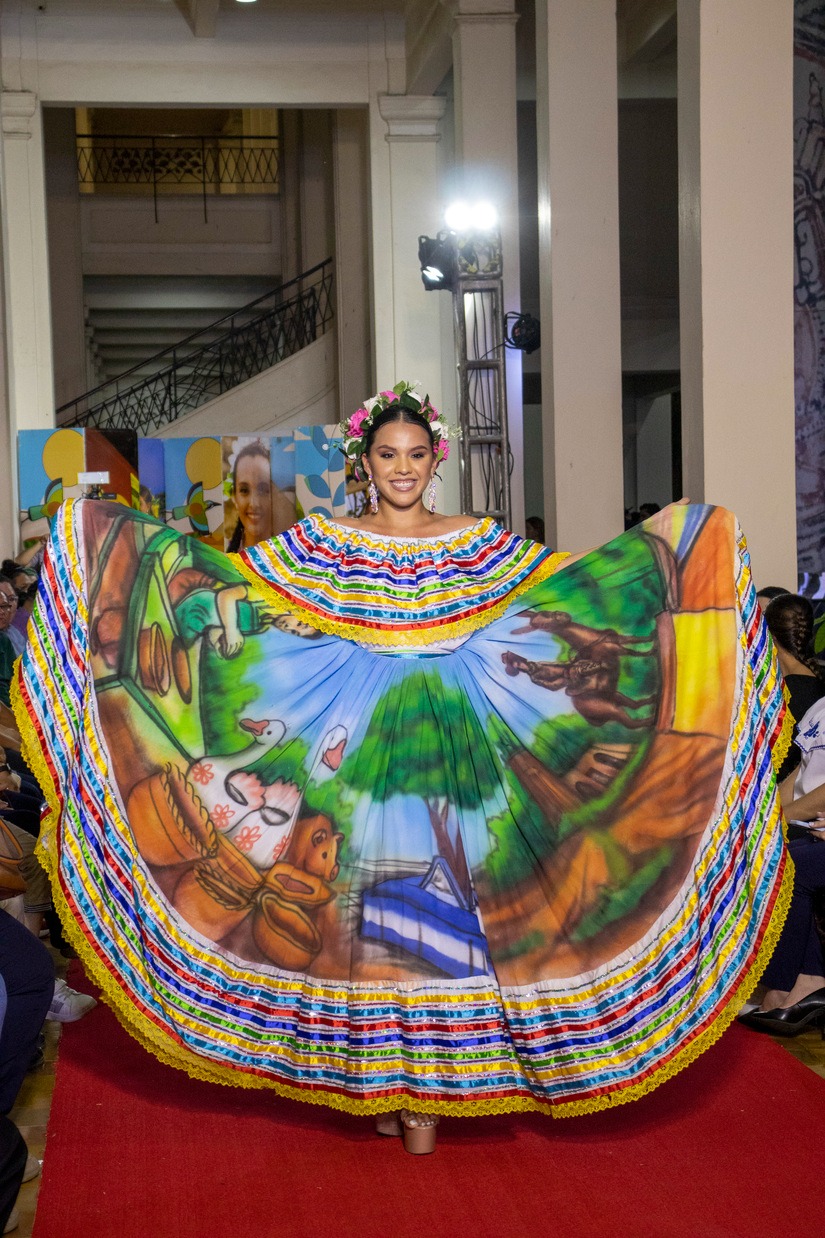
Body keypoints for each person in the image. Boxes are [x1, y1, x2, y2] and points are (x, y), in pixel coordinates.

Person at [13, 381, 788, 1156]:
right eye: (388, 455)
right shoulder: (323, 543)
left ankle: (429, 1097)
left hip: (452, 747)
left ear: (436, 459)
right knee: (369, 917)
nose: (403, 468)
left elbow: (561, 580)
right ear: (365, 462)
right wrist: (98, 532)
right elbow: (239, 580)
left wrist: (683, 538)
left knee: (447, 904)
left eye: (416, 454)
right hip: (360, 749)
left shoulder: (477, 541)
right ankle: (390, 1080)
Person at [738, 694, 825, 1036]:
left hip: (815, 825)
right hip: (812, 828)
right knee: (765, 853)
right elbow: (803, 772)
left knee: (789, 867)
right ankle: (783, 983)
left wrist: (776, 820)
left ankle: (795, 985)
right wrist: (761, 816)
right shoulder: (821, 705)